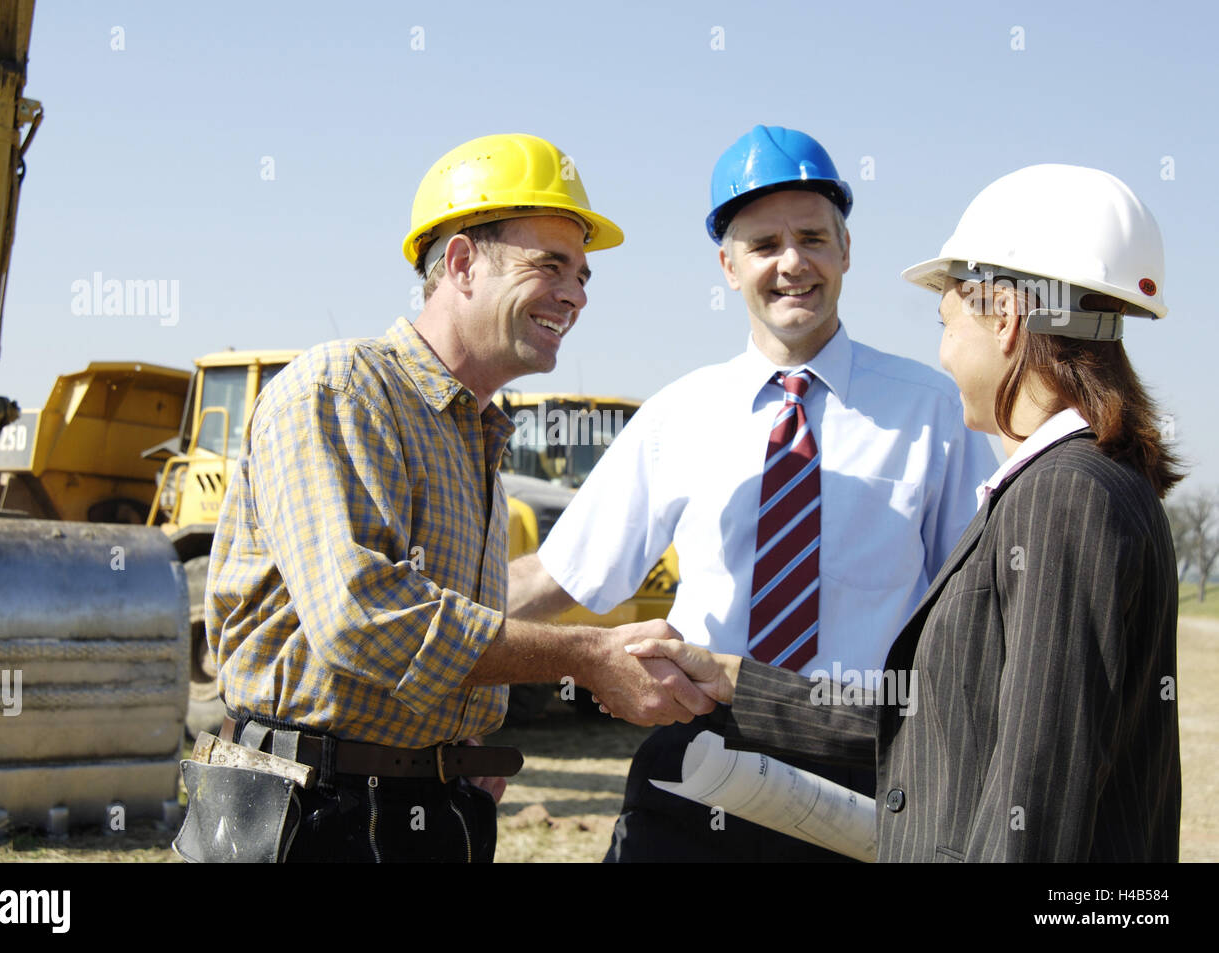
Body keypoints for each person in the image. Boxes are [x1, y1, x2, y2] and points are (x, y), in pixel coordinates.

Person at [628, 163, 1183, 862]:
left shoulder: (1064, 497)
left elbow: (1037, 796)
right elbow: (941, 722)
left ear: (1006, 318)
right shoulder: (1085, 486)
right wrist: (737, 681)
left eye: (947, 323)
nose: (944, 356)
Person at [200, 133, 713, 864]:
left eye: (584, 276)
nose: (576, 294)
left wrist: (454, 740)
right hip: (309, 816)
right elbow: (364, 617)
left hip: (424, 806)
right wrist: (589, 655)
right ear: (464, 262)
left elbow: (433, 634)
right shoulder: (344, 388)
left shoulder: (475, 434)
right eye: (551, 266)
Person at [508, 126, 998, 862]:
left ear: (846, 249)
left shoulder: (935, 409)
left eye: (812, 236)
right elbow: (558, 574)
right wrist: (410, 626)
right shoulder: (678, 412)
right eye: (764, 245)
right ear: (728, 266)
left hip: (859, 766)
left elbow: (976, 615)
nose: (792, 262)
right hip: (700, 760)